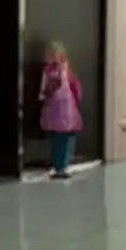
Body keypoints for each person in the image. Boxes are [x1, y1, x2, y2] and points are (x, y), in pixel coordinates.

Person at [39, 42, 83, 180]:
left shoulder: (60, 69)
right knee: (60, 138)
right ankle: (60, 166)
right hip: (59, 108)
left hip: (63, 109)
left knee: (62, 138)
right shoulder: (52, 69)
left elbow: (72, 85)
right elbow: (44, 88)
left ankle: (61, 166)